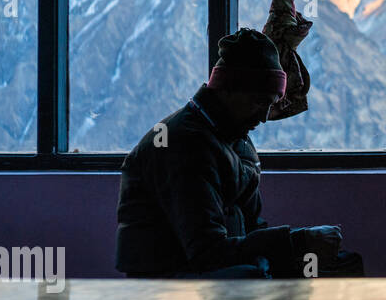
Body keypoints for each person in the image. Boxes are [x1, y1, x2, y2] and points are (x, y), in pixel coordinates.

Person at [116, 28, 355, 279]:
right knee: (252, 278)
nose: (264, 117)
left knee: (340, 264)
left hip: (223, 262)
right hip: (169, 278)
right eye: (259, 102)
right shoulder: (184, 145)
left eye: (271, 104)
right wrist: (297, 241)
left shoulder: (235, 139)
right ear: (228, 89)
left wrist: (299, 246)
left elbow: (252, 228)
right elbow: (207, 252)